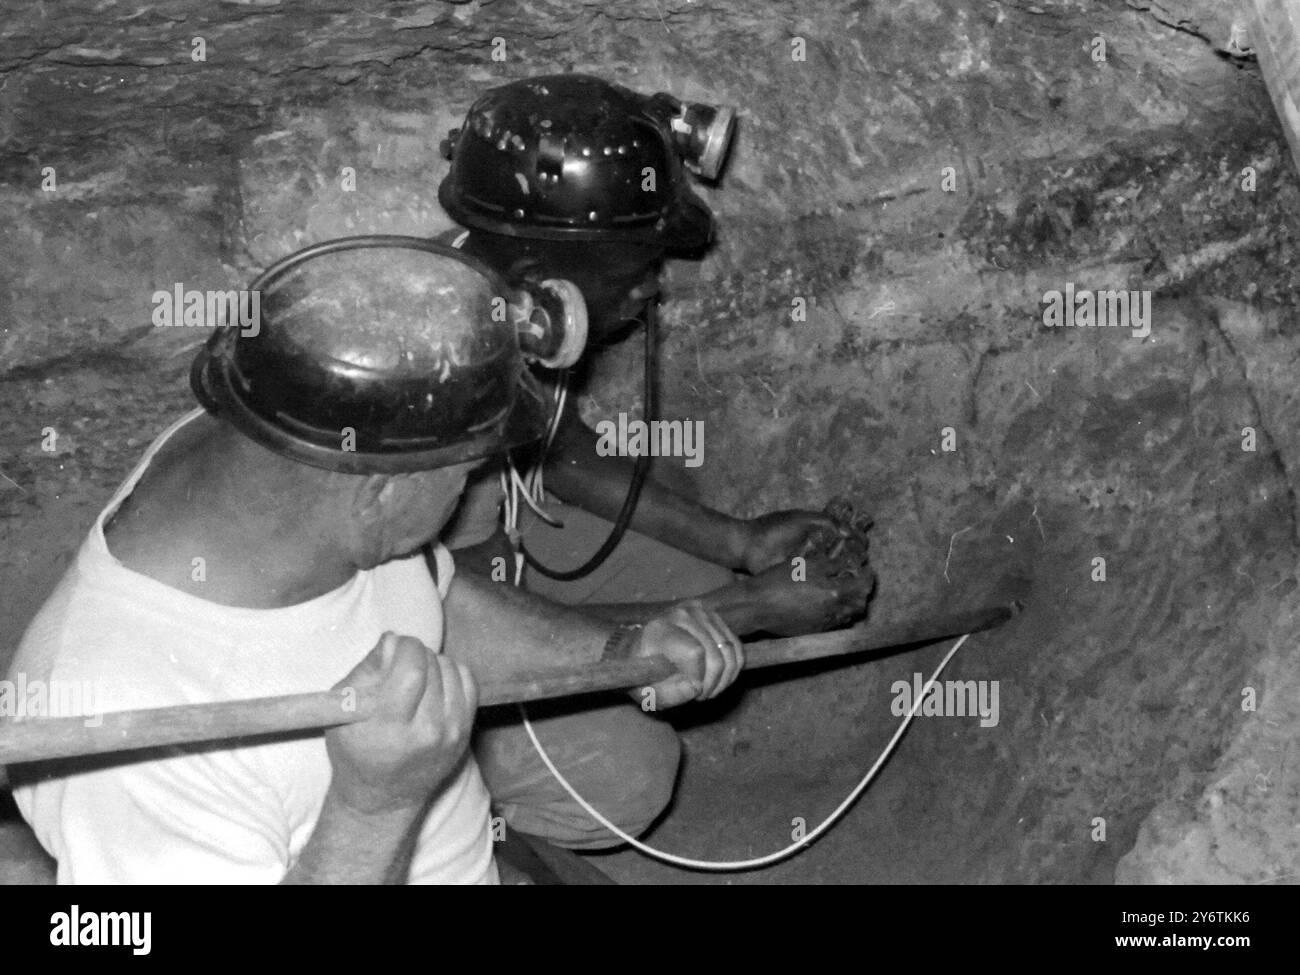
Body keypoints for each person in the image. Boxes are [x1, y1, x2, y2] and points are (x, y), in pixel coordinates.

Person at [7, 240, 743, 883]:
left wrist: (619, 649)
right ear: (381, 495)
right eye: (467, 470)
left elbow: (427, 597)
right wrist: (374, 804)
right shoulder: (122, 729)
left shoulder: (278, 453)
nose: (471, 490)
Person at [437, 74, 875, 639]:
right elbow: (480, 642)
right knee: (640, 731)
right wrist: (743, 611)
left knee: (695, 566)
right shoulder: (447, 396)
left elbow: (557, 454)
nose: (651, 289)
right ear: (538, 284)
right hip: (446, 628)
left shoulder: (505, 301)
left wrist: (741, 542)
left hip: (489, 557)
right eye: (631, 274)